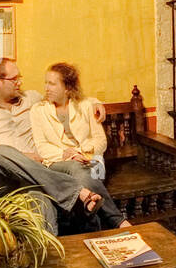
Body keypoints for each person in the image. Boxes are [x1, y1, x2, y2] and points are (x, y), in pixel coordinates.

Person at [0, 56, 95, 234]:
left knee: (41, 199)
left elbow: (66, 100)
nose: (19, 83)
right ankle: (73, 190)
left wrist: (95, 103)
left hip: (31, 178)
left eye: (20, 77)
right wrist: (24, 156)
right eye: (14, 79)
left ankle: (50, 254)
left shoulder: (32, 99)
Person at [31, 61, 122, 231]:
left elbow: (100, 141)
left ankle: (90, 230)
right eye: (46, 82)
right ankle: (117, 221)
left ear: (67, 88)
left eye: (52, 83)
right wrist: (70, 155)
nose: (46, 88)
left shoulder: (86, 106)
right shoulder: (38, 110)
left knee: (84, 178)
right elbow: (42, 147)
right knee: (76, 168)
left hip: (93, 161)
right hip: (57, 164)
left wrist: (81, 152)